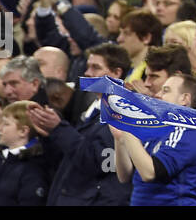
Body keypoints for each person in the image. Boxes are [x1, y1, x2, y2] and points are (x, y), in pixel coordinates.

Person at [30, 43, 133, 206]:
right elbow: (70, 159)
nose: (87, 73)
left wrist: (59, 128)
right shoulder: (91, 110)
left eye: (95, 67)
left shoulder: (122, 115)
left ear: (116, 73)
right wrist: (49, 133)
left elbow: (99, 163)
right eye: (87, 67)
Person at [111, 74, 196, 206]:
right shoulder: (159, 126)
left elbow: (149, 173)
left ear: (184, 99)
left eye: (166, 90)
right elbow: (124, 177)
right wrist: (120, 138)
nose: (158, 95)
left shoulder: (190, 130)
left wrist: (128, 125)